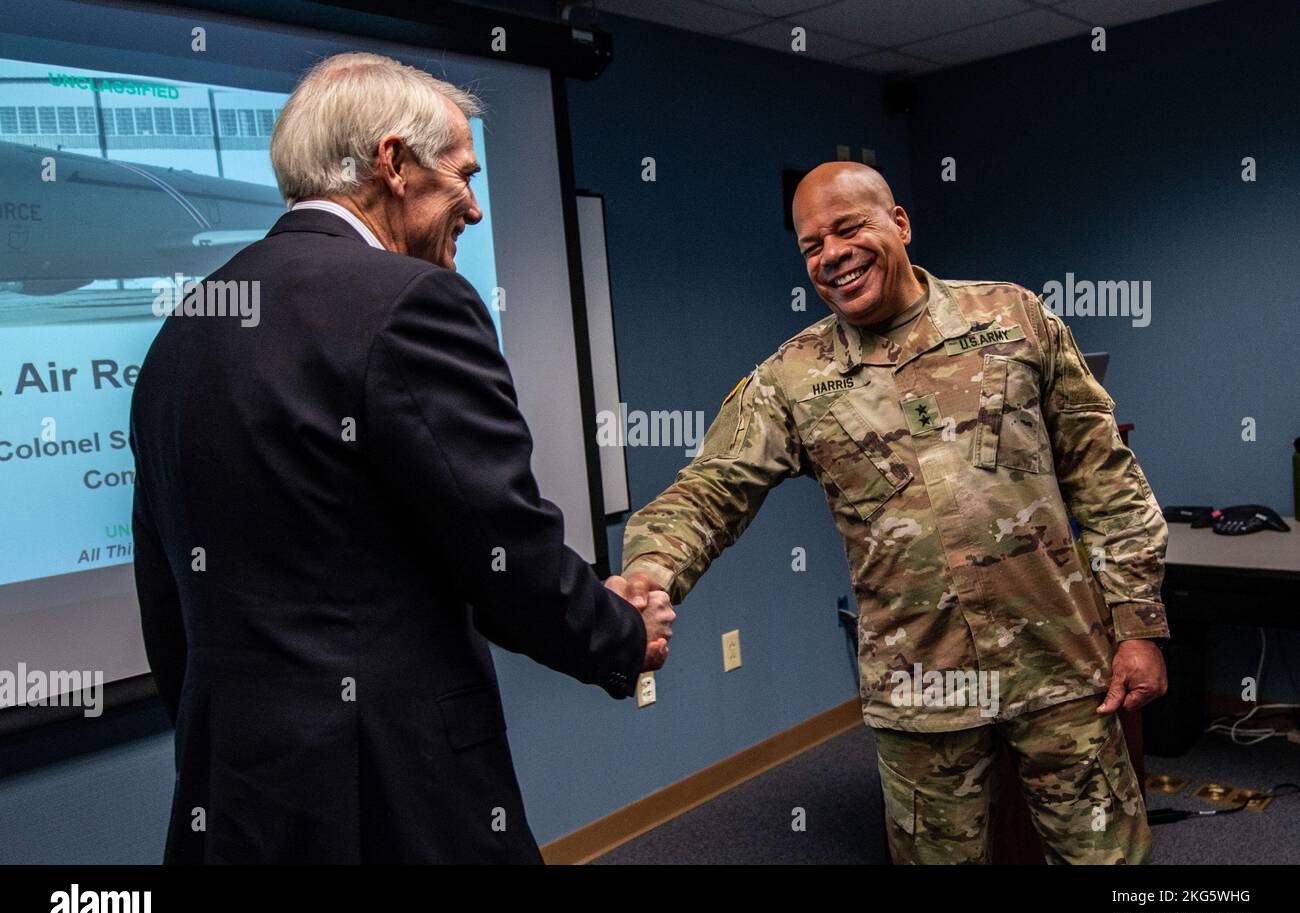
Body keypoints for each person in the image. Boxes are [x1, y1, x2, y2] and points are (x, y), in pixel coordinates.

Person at [130, 51, 673, 864]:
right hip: (393, 793)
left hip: (233, 792)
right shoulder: (413, 304)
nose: (477, 210)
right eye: (463, 176)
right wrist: (620, 632)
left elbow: (166, 596)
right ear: (393, 163)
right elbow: (502, 550)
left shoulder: (180, 332)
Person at [622, 161, 1168, 864]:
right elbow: (712, 488)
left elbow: (1106, 479)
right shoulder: (791, 378)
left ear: (899, 223)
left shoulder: (1014, 318)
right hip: (921, 692)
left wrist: (1140, 625)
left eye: (848, 228)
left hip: (1061, 667)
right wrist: (649, 572)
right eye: (811, 246)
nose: (832, 256)